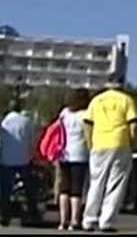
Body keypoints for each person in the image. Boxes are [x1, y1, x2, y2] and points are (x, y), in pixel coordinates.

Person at [82, 77, 137, 232]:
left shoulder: (96, 100)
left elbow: (87, 123)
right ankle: (106, 221)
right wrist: (131, 143)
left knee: (96, 182)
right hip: (120, 142)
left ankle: (89, 219)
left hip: (99, 142)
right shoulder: (127, 100)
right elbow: (133, 125)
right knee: (116, 183)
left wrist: (90, 144)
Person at [0, 99, 41, 227]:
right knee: (28, 188)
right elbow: (32, 139)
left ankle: (4, 215)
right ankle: (32, 212)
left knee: (5, 189)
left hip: (6, 158)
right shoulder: (26, 121)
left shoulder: (4, 121)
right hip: (23, 158)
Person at [57, 88, 91, 232]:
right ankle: (75, 220)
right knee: (76, 190)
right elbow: (88, 134)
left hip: (63, 153)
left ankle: (62, 221)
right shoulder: (85, 115)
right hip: (80, 154)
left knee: (64, 189)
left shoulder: (64, 113)